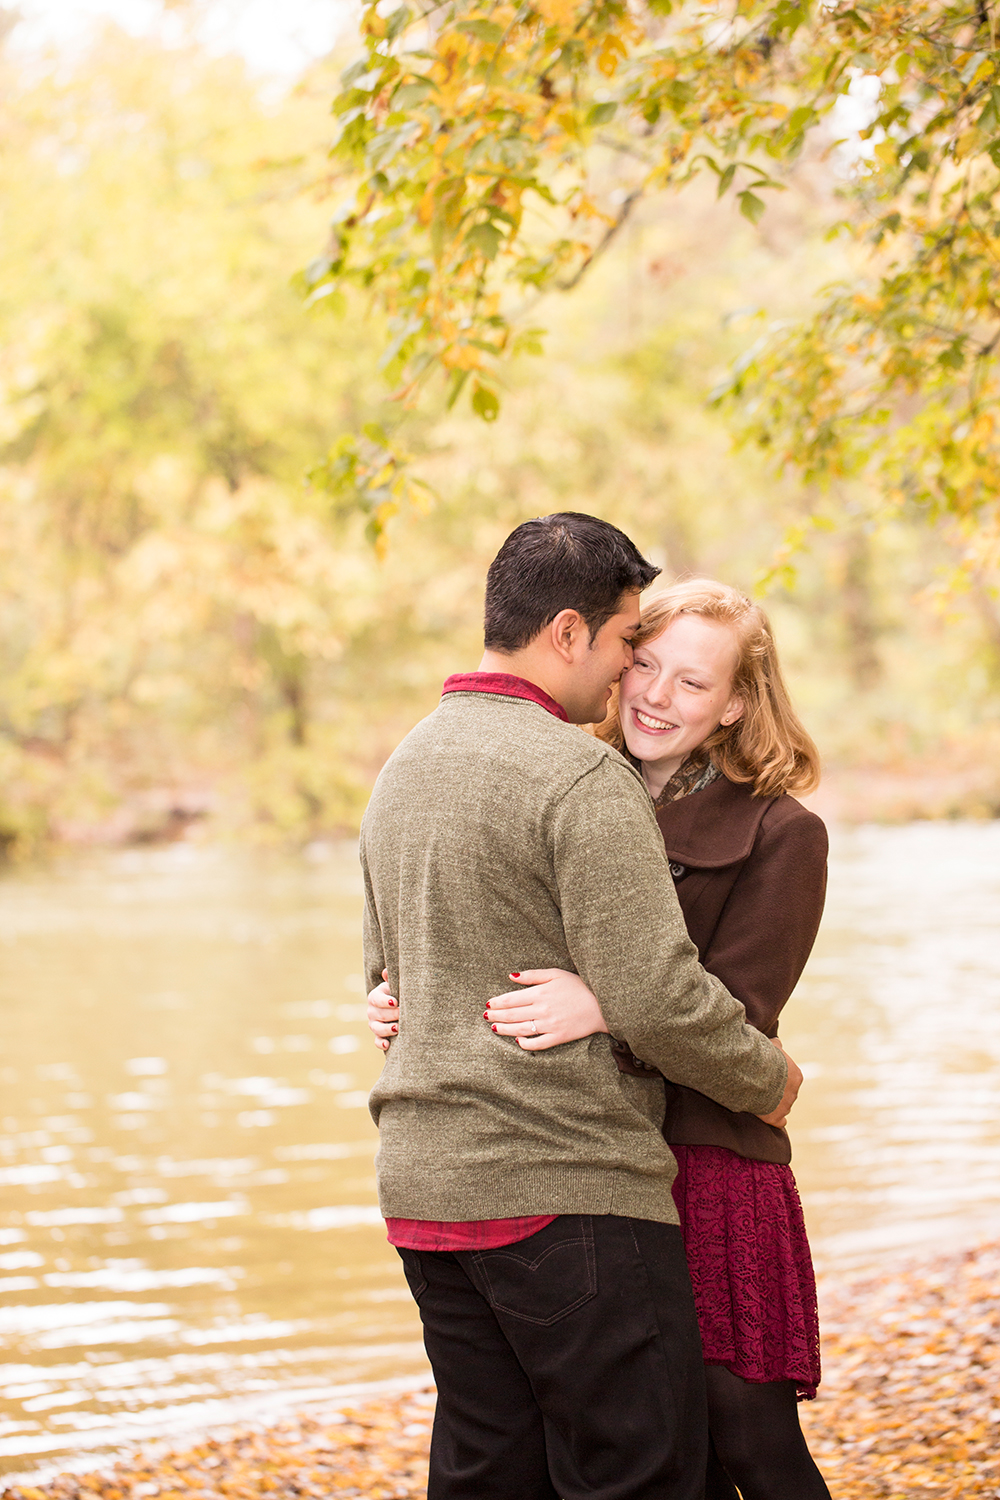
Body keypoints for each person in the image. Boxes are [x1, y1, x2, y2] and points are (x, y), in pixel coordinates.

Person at [360, 514, 803, 1500]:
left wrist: (399, 1003)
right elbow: (658, 994)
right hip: (565, 1186)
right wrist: (770, 1081)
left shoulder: (405, 765)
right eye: (625, 644)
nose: (625, 679)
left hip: (423, 1193)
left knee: (490, 1472)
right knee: (638, 1475)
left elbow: (382, 975)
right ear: (569, 633)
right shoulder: (580, 773)